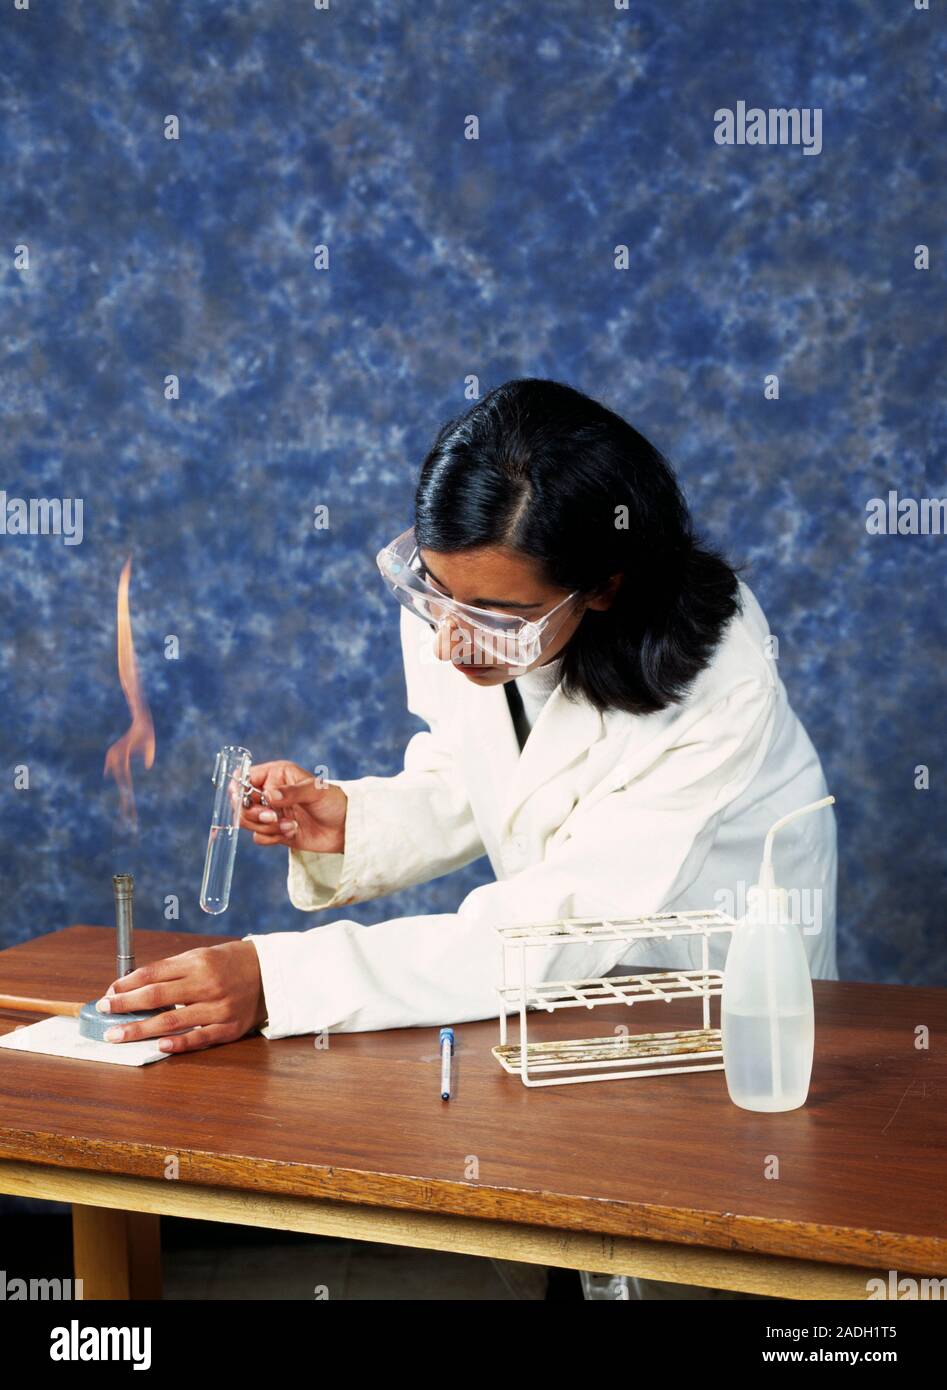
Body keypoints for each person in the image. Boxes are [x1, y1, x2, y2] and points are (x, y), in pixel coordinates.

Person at [98, 376, 837, 1048]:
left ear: (604, 587)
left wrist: (279, 981)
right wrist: (354, 819)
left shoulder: (720, 688)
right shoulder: (458, 594)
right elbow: (483, 770)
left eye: (492, 614)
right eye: (435, 591)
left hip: (715, 991)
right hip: (549, 992)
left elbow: (562, 920)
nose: (448, 641)